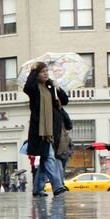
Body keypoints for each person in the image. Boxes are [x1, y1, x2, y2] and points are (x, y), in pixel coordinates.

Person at [24, 62, 69, 197]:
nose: (46, 74)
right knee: (48, 156)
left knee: (45, 159)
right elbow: (27, 87)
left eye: (47, 71)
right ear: (36, 74)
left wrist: (58, 88)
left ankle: (38, 188)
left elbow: (65, 101)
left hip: (50, 130)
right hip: (39, 130)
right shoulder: (34, 89)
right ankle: (57, 186)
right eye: (42, 71)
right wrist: (33, 71)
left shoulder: (50, 88)